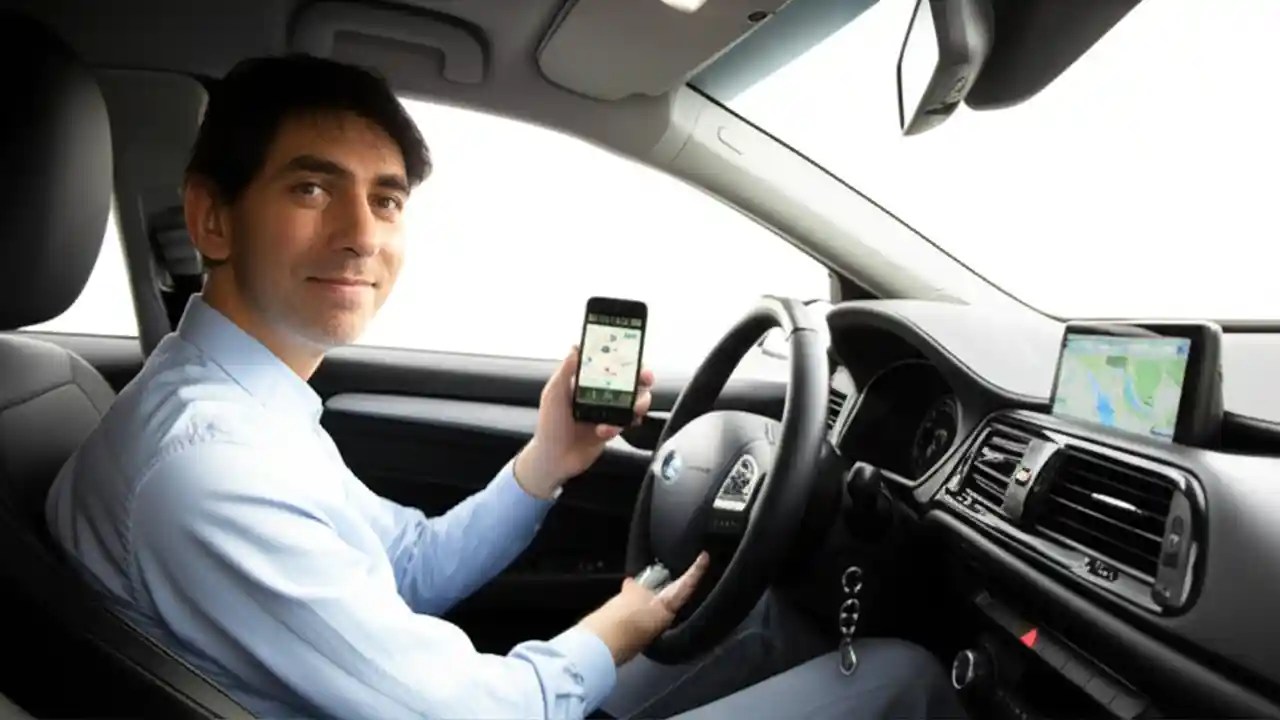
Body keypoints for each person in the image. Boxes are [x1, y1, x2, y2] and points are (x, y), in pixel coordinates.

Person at [45, 54, 966, 720]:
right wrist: (617, 625)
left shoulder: (234, 405)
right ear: (212, 216)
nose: (364, 235)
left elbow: (404, 569)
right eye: (313, 190)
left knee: (761, 625)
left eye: (389, 198)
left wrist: (547, 459)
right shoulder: (208, 467)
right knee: (899, 676)